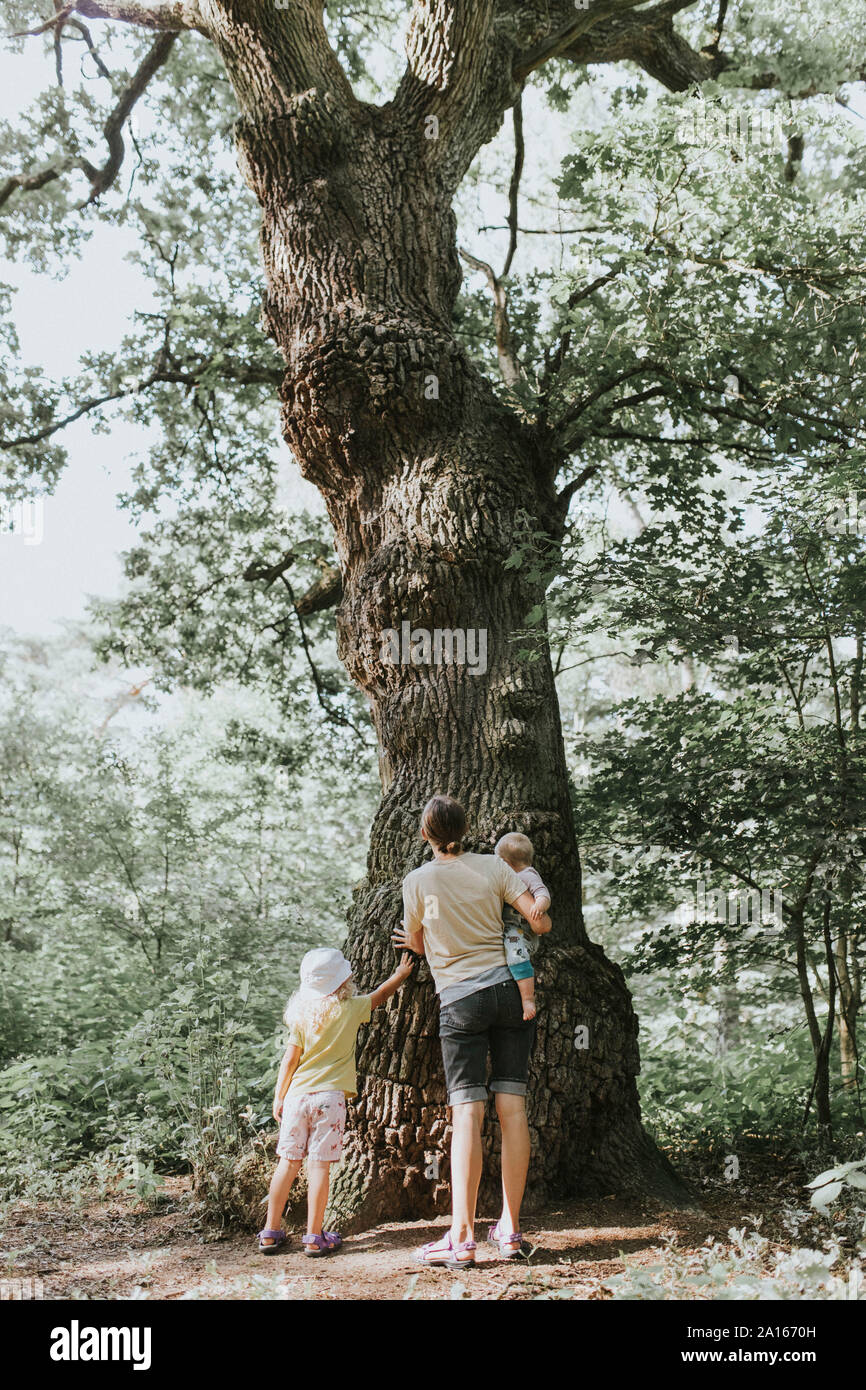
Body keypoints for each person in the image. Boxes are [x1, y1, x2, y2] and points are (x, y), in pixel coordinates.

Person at [394, 795, 552, 1266]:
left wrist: (419, 938)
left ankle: (461, 1237)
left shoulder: (417, 881)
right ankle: (509, 1230)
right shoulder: (495, 867)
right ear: (468, 828)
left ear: (425, 835)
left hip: (460, 1000)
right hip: (509, 992)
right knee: (513, 1109)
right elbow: (536, 920)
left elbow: (418, 943)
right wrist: (538, 911)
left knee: (468, 1113)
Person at [258, 945, 414, 1256]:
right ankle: (315, 1236)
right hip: (329, 1099)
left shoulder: (301, 1017)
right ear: (343, 982)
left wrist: (279, 1095)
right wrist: (400, 974)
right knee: (319, 1167)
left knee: (287, 1163)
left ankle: (270, 1233)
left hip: (297, 1097)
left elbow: (289, 1060)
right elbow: (380, 995)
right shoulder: (352, 1008)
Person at [493, 832, 551, 1022]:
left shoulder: (527, 875)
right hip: (509, 929)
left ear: (505, 862)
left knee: (515, 955)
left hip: (521, 933)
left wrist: (539, 905)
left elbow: (542, 892)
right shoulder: (505, 877)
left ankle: (527, 999)